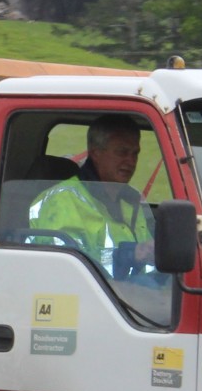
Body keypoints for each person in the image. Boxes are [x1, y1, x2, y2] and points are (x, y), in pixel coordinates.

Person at [26, 117, 156, 279]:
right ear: (96, 153)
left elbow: (151, 260)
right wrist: (129, 255)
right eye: (122, 152)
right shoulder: (62, 200)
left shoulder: (131, 200)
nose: (131, 161)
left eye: (135, 154)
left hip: (133, 296)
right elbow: (67, 266)